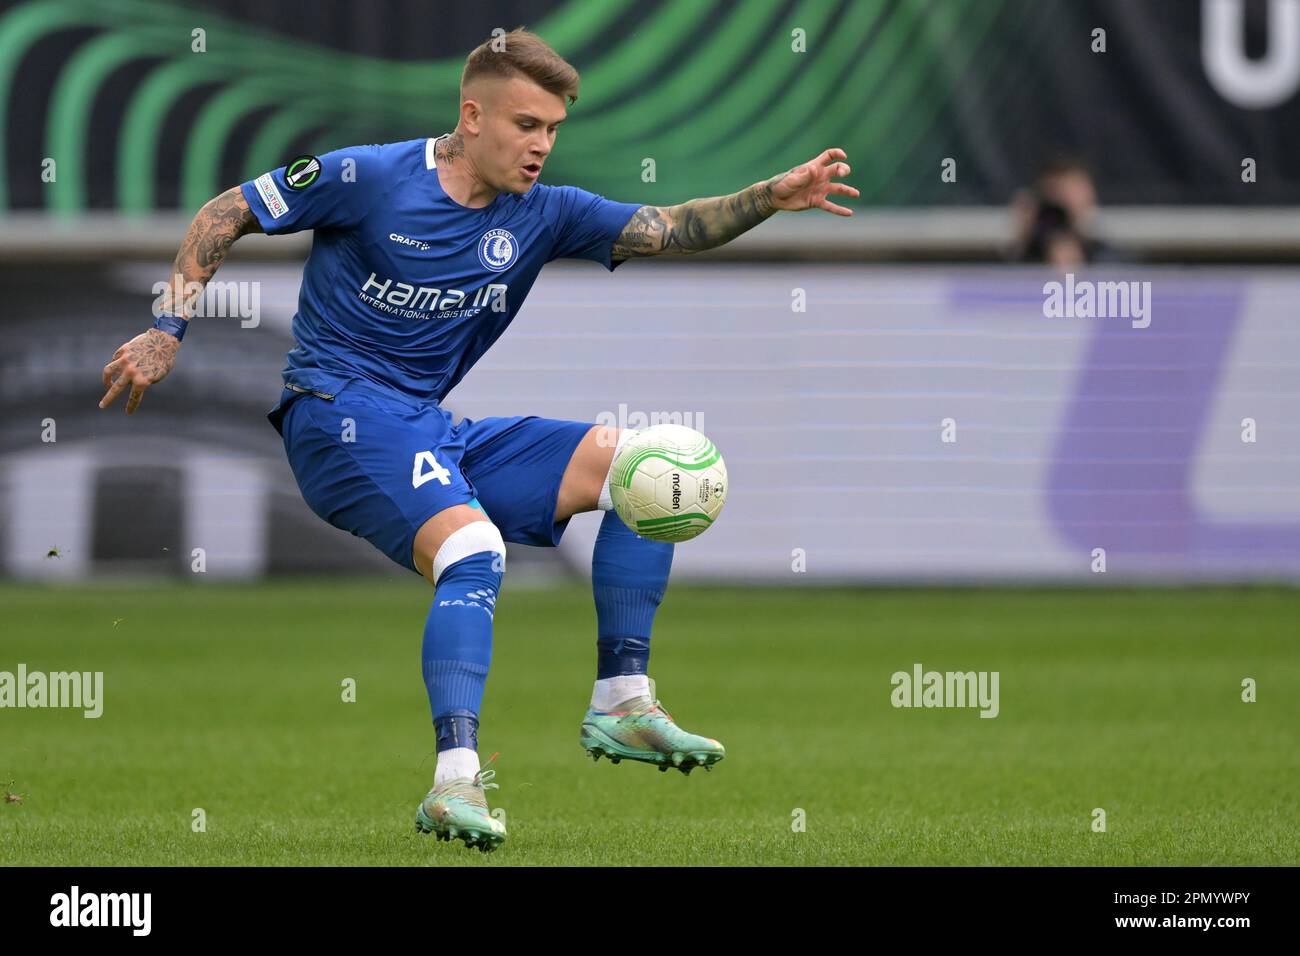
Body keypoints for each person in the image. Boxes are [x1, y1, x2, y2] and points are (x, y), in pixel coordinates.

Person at [97, 28, 858, 852]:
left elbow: (671, 227)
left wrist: (768, 197)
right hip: (335, 416)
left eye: (553, 130)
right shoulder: (371, 176)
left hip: (428, 426)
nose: (542, 146)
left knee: (646, 464)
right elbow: (227, 211)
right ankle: (454, 782)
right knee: (474, 551)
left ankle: (622, 699)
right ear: (472, 116)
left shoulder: (546, 212)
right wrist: (166, 328)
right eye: (527, 125)